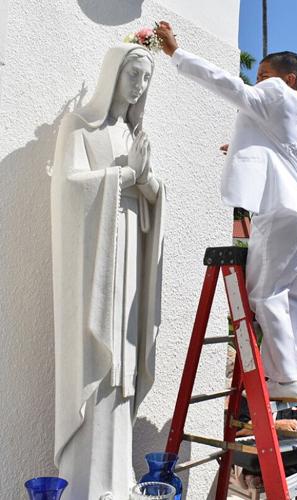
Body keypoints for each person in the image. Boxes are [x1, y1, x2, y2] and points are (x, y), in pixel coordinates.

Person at [155, 22, 297, 401]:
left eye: (264, 75)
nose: (259, 81)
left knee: (264, 294)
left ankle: (282, 379)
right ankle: (296, 376)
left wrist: (176, 54)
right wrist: (239, 148)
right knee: (295, 296)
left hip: (281, 211)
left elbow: (230, 87)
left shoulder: (277, 93)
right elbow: (279, 148)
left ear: (289, 78)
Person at [51, 43, 164, 499]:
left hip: (128, 262)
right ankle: (84, 484)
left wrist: (149, 182)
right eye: (134, 74)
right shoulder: (79, 127)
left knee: (126, 364)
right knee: (98, 364)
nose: (139, 86)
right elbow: (67, 188)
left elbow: (151, 192)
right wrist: (121, 178)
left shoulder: (134, 134)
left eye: (146, 79)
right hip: (95, 267)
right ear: (112, 74)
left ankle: (118, 479)